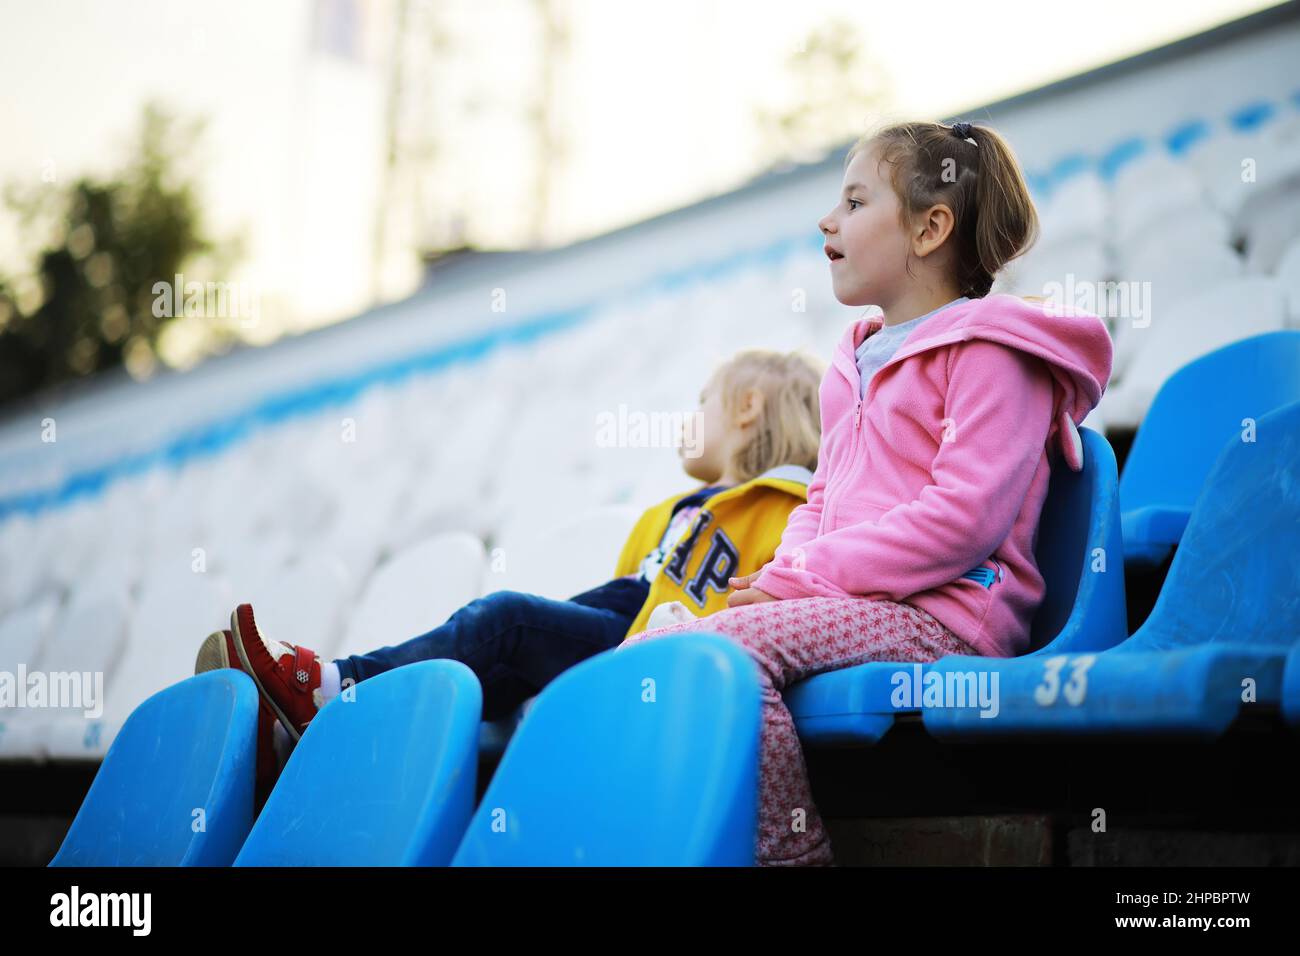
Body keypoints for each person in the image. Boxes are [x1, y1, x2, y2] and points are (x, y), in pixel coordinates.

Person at [619, 120, 1114, 866]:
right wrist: (780, 581)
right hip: (853, 609)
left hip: (944, 618)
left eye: (854, 202)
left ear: (929, 228)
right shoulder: (850, 364)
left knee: (728, 652)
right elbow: (817, 502)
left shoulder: (993, 356)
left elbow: (962, 521)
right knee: (657, 649)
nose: (828, 220)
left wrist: (802, 581)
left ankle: (794, 855)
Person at [195, 348, 824, 805]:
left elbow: (779, 602)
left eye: (702, 404)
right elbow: (618, 590)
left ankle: (327, 688)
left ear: (747, 409)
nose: (689, 420)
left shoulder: (787, 507)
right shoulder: (666, 513)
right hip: (625, 627)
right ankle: (309, 741)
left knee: (505, 621)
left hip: (660, 650)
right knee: (487, 670)